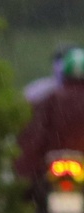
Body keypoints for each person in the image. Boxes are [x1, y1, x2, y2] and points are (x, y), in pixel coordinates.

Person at [18, 47, 84, 186]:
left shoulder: (48, 98)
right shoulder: (47, 96)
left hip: (50, 165)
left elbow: (35, 136)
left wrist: (26, 169)